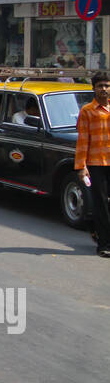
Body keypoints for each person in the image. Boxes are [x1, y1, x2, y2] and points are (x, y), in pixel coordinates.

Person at [75, 72, 110, 257]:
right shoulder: (87, 111)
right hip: (96, 164)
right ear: (93, 88)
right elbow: (82, 141)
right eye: (100, 86)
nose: (104, 89)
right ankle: (104, 244)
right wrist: (81, 167)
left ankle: (95, 229)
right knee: (101, 204)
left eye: (106, 85)